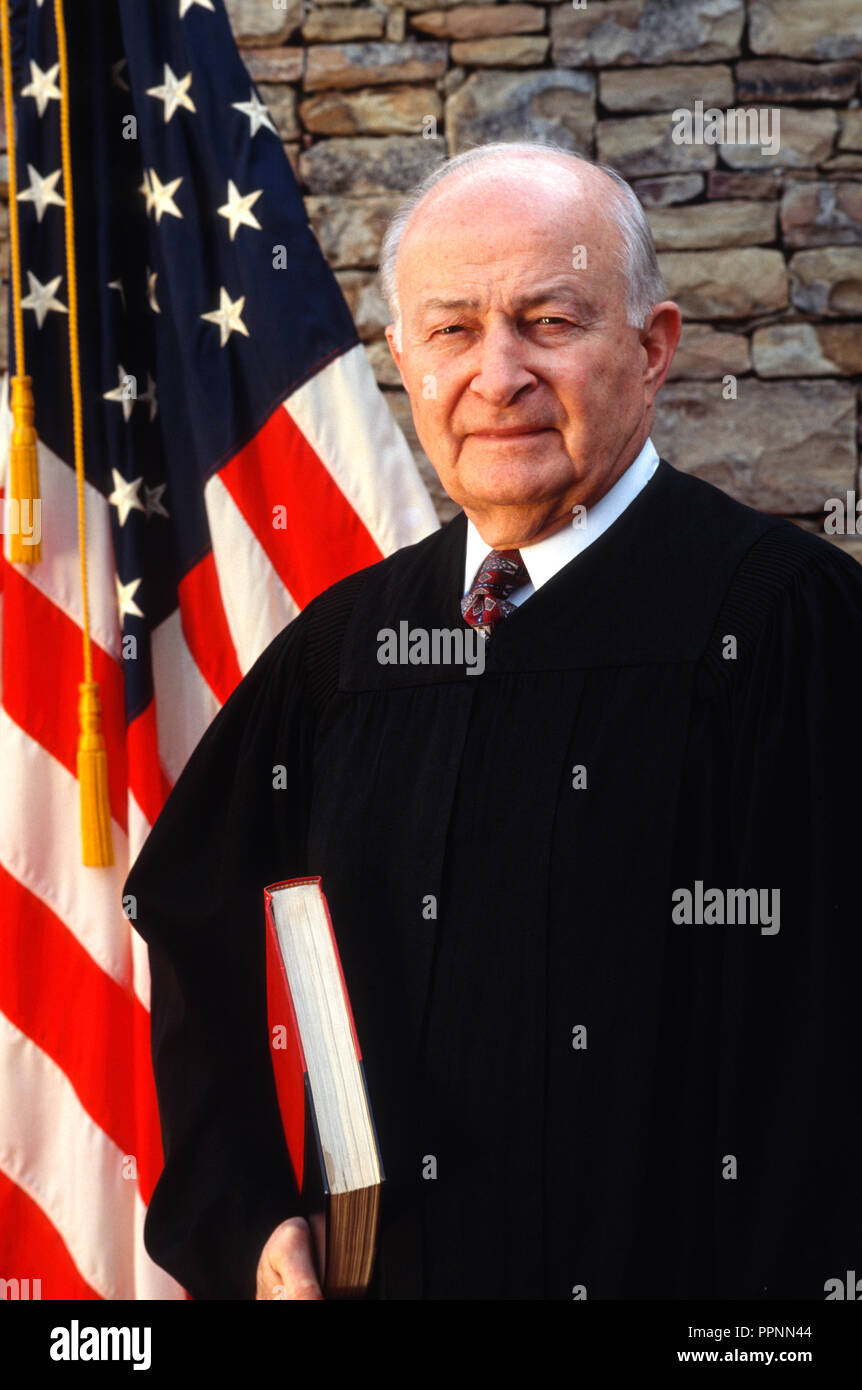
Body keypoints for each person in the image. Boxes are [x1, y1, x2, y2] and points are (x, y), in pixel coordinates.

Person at [125, 141, 862, 1302]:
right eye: (454, 330)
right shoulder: (346, 651)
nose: (498, 372)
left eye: (548, 320)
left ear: (654, 347)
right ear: (404, 361)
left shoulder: (790, 629)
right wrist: (251, 1219)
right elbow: (185, 901)